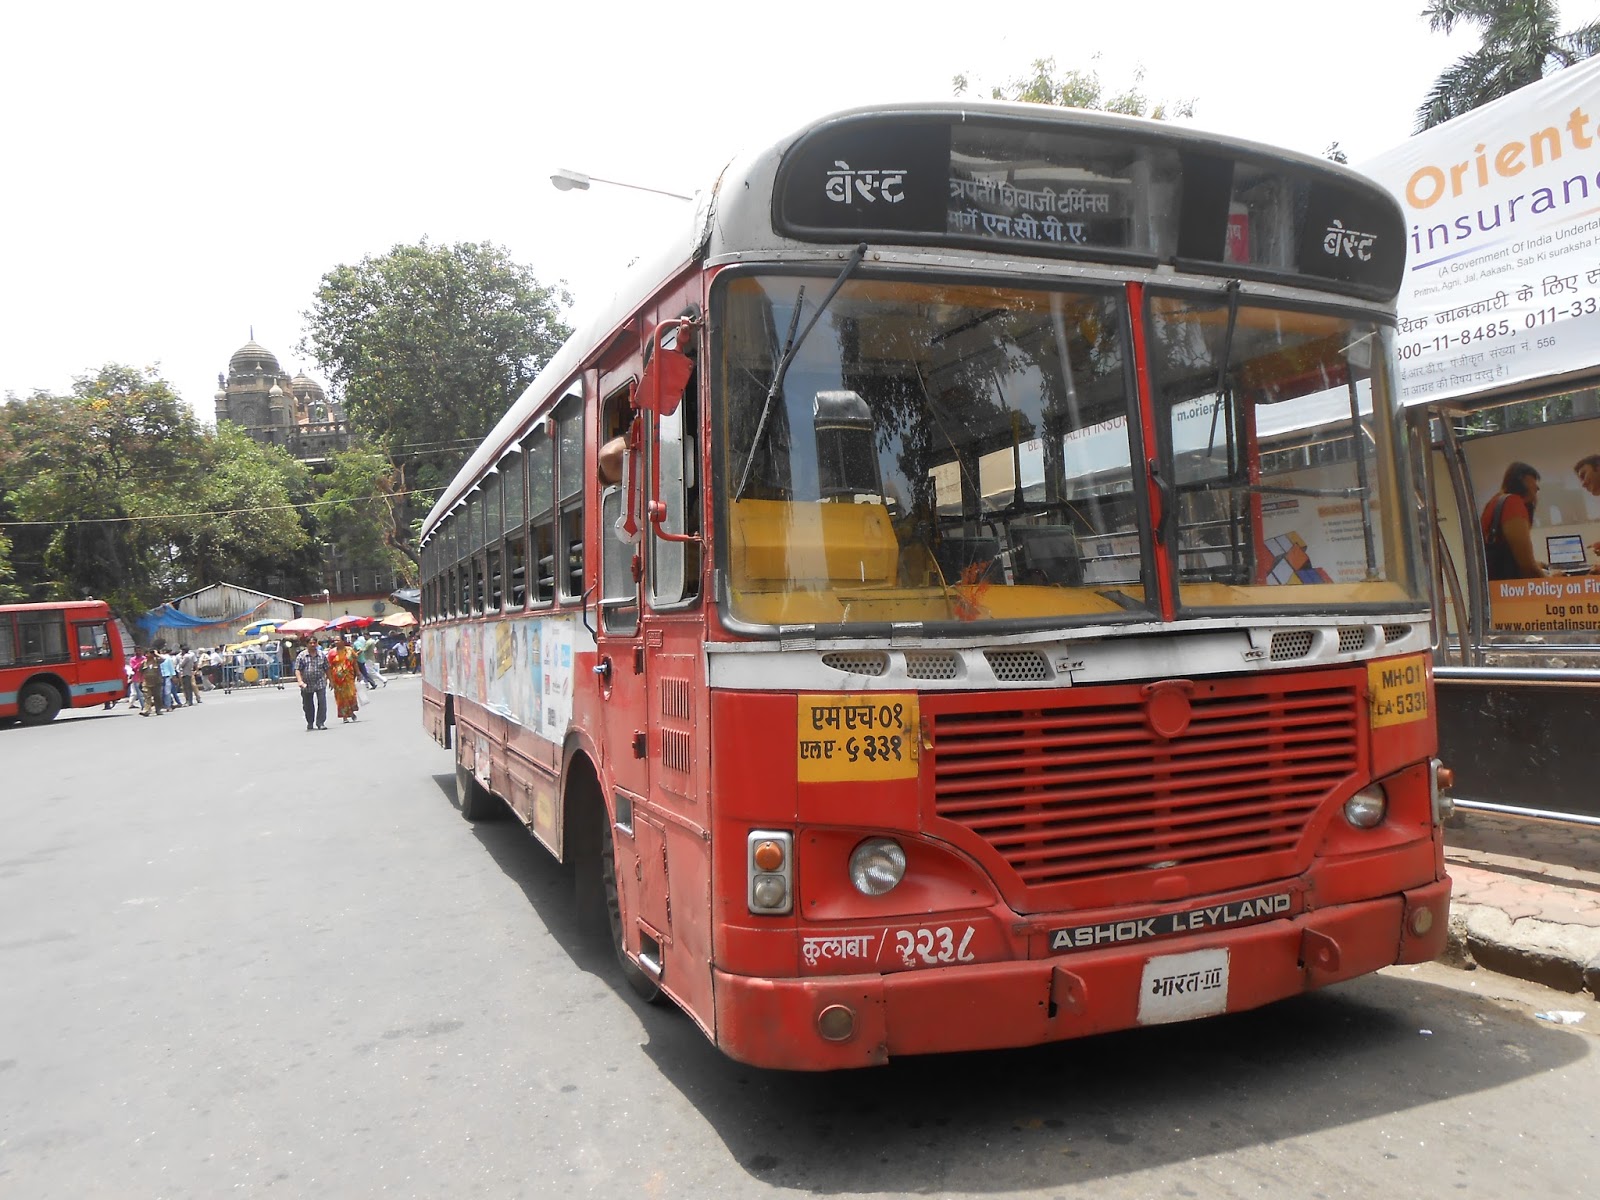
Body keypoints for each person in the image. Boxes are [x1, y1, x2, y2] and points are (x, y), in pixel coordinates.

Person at [1481, 461, 1548, 580]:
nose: (1537, 487)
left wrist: (1539, 565)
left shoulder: (1494, 502)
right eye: (1533, 480)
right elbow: (1527, 568)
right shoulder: (1513, 503)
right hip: (1511, 590)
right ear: (1523, 479)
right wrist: (1555, 583)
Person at [293, 637, 329, 731]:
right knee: (308, 704)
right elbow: (297, 669)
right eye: (310, 643)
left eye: (314, 643)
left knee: (322, 702)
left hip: (320, 681)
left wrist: (331, 680)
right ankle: (310, 721)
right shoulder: (302, 656)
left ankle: (320, 722)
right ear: (307, 644)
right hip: (307, 683)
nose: (312, 645)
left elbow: (327, 668)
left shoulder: (322, 655)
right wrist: (300, 681)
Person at [327, 633, 361, 723]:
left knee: (351, 695)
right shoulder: (331, 653)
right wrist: (330, 680)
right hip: (337, 680)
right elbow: (329, 667)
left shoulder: (349, 650)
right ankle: (344, 716)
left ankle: (351, 712)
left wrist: (358, 673)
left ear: (343, 641)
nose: (336, 642)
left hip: (349, 677)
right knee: (341, 698)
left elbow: (354, 662)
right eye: (335, 641)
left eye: (338, 640)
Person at [140, 648, 165, 716]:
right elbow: (140, 672)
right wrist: (140, 681)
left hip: (156, 682)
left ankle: (158, 709)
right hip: (146, 682)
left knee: (157, 697)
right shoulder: (143, 663)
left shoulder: (157, 661)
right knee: (147, 696)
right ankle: (146, 710)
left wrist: (156, 654)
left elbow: (163, 659)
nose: (147, 655)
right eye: (146, 654)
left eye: (148, 653)